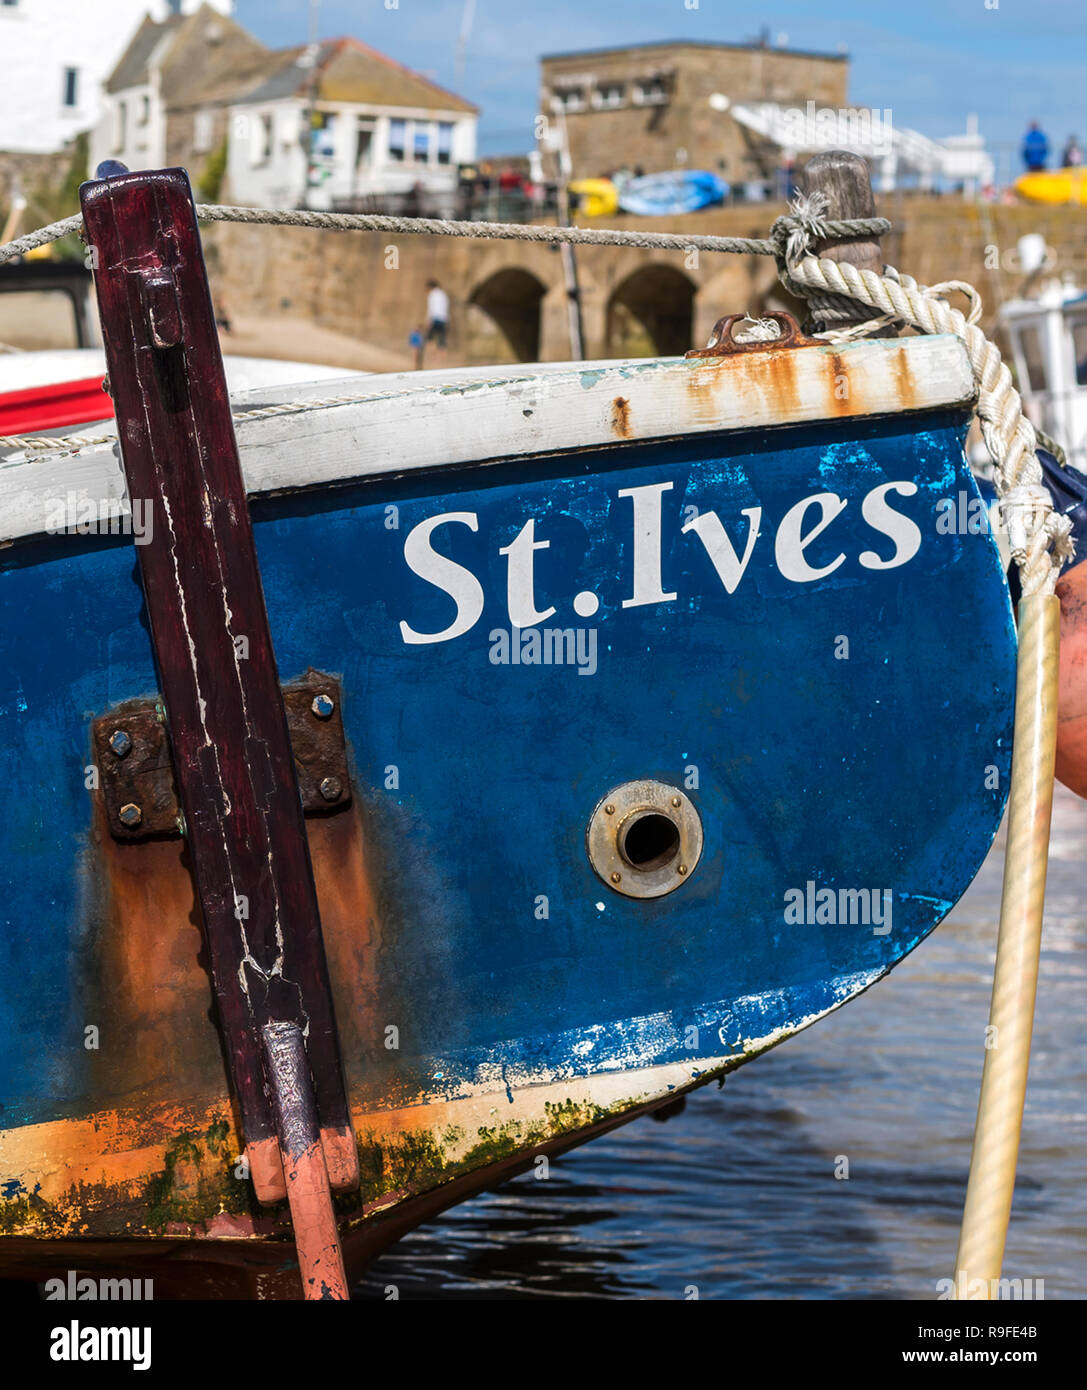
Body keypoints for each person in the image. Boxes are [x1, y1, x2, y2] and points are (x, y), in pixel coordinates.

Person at [425, 279, 449, 355]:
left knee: (430, 339)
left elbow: (432, 308)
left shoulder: (432, 294)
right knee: (442, 340)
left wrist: (428, 320)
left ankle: (432, 357)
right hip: (444, 319)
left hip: (435, 318)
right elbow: (446, 307)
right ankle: (441, 361)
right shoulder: (443, 294)